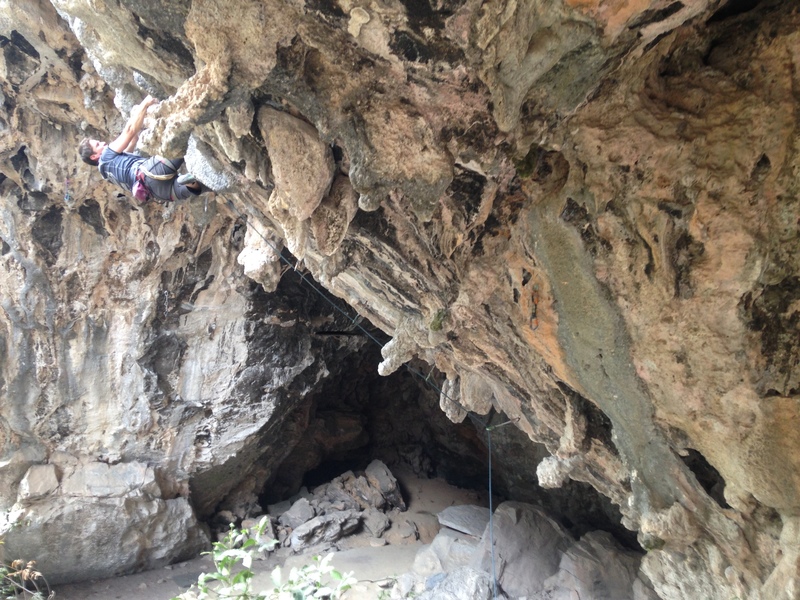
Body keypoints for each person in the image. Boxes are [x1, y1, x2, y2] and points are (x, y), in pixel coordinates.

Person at [78, 95, 202, 203]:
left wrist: (136, 119)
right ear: (94, 156)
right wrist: (145, 104)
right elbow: (130, 131)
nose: (103, 143)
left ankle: (191, 180)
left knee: (201, 184)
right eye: (98, 145)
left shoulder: (108, 173)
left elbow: (133, 141)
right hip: (151, 173)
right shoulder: (106, 157)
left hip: (159, 192)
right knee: (180, 141)